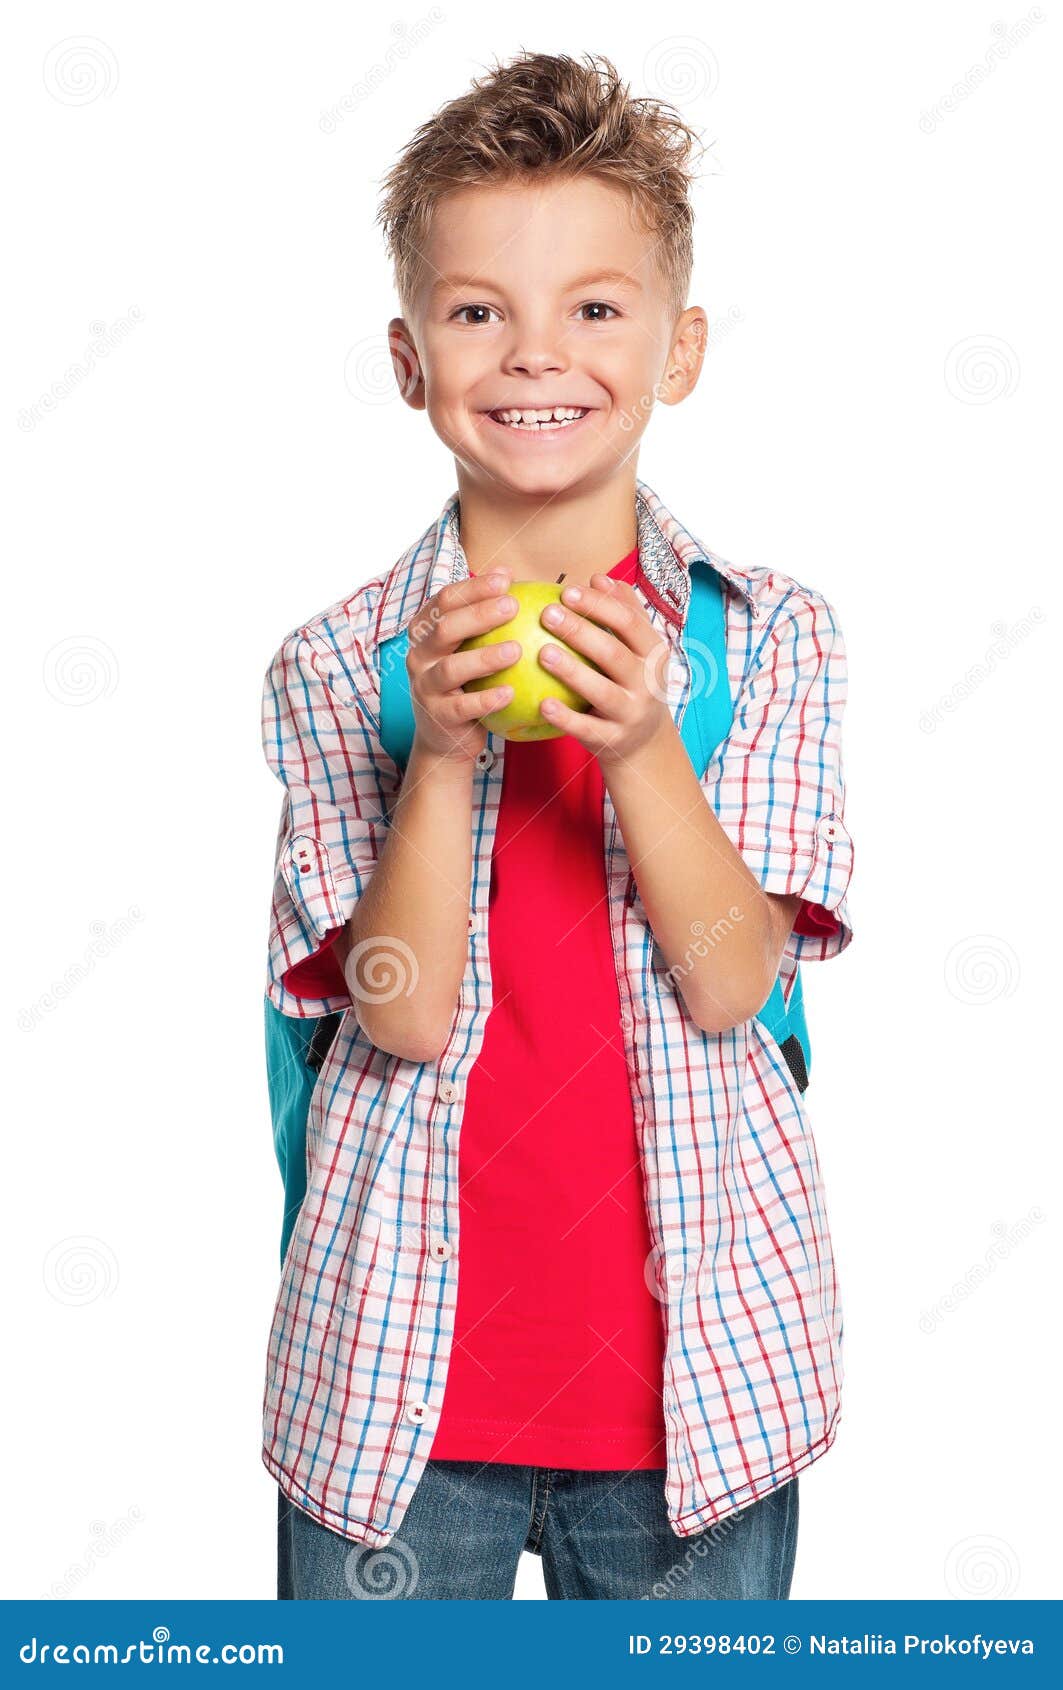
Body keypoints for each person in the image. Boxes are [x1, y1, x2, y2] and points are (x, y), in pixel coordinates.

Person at [262, 50, 855, 1601]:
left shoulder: (772, 640)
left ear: (681, 346)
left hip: (700, 1407)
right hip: (396, 1396)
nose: (539, 353)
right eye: (478, 311)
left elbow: (737, 984)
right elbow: (394, 1016)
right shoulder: (340, 665)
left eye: (597, 307)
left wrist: (648, 744)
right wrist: (444, 756)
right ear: (410, 357)